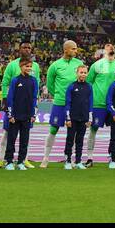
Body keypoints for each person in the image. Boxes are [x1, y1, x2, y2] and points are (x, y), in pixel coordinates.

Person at [0, 40, 39, 169]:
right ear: (19, 49)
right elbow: (5, 84)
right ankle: (3, 160)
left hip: (27, 111)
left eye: (29, 47)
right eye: (24, 47)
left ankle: (22, 160)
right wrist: (7, 106)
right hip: (14, 109)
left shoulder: (35, 68)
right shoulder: (12, 66)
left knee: (25, 138)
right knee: (8, 135)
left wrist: (34, 110)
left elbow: (36, 91)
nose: (27, 49)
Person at [40, 39, 84, 169]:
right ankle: (45, 158)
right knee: (53, 129)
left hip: (75, 104)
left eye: (76, 49)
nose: (76, 51)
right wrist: (58, 94)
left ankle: (72, 160)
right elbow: (50, 84)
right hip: (60, 103)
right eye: (73, 49)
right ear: (66, 50)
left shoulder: (79, 63)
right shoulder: (55, 65)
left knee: (74, 132)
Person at [3, 57, 39, 170]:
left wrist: (34, 114)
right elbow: (10, 98)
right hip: (15, 115)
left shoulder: (34, 81)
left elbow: (35, 98)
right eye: (26, 66)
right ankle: (9, 162)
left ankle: (20, 162)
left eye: (30, 66)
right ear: (20, 67)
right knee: (11, 140)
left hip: (27, 116)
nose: (28, 68)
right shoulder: (15, 80)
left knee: (24, 141)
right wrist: (10, 114)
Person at [63, 64, 93, 169]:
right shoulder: (71, 86)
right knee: (70, 139)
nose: (83, 74)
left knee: (80, 140)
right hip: (72, 118)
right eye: (81, 72)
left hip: (84, 118)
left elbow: (90, 103)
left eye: (85, 72)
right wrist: (67, 118)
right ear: (77, 73)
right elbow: (67, 103)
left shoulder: (89, 87)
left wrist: (90, 118)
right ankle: (67, 161)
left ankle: (78, 161)